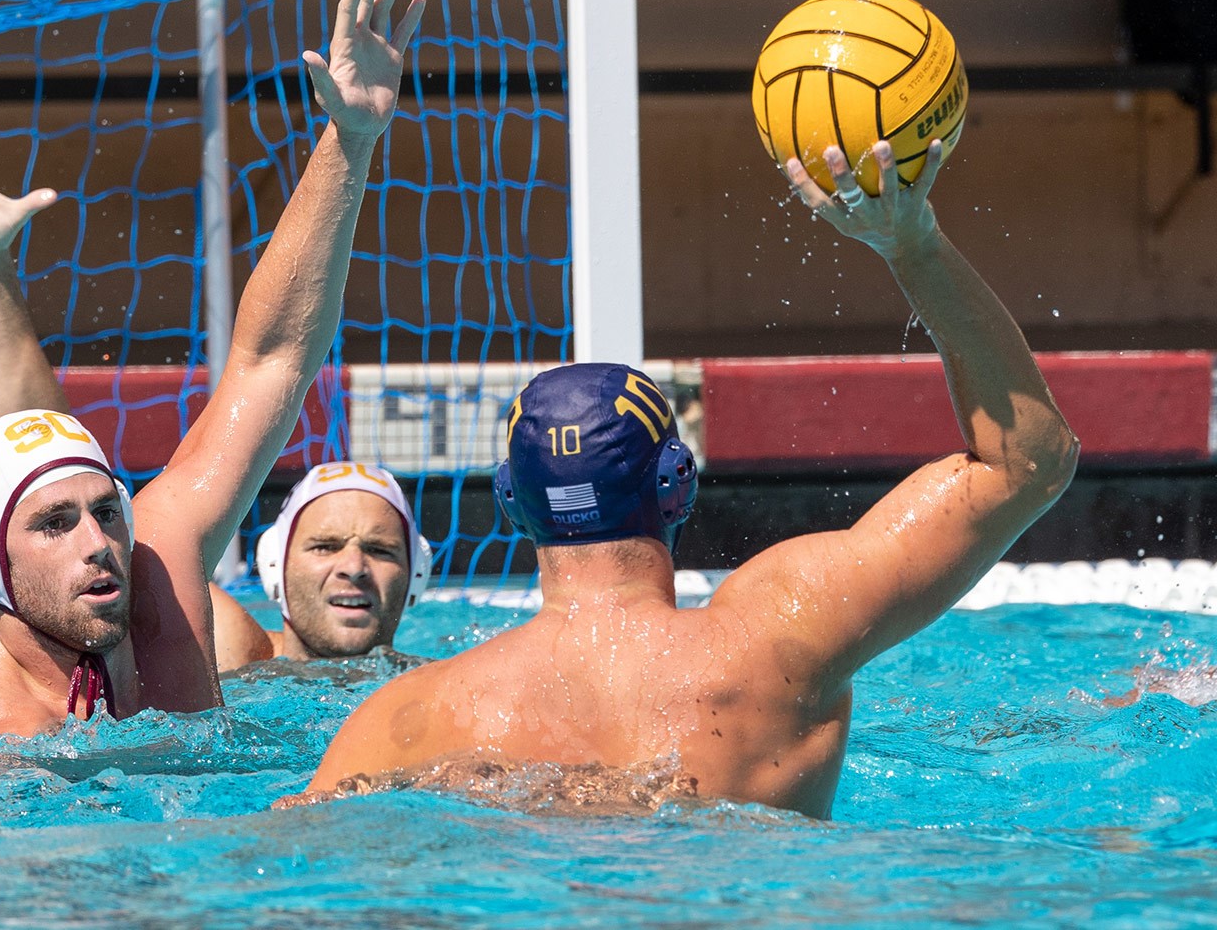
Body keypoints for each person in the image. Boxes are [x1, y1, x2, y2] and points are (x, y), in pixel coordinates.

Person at [290, 139, 1081, 819]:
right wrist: (916, 246)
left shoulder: (408, 714)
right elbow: (1030, 461)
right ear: (677, 484)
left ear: (511, 502)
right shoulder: (782, 635)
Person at [0, 0, 424, 737]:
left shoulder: (158, 566)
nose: (100, 543)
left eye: (106, 511)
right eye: (56, 525)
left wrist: (351, 136)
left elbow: (269, 361)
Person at [209, 462, 434, 671]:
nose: (354, 568)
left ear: (416, 574)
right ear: (275, 565)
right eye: (325, 547)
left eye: (379, 550)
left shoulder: (438, 685)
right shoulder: (229, 652)